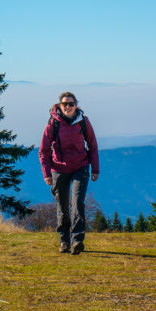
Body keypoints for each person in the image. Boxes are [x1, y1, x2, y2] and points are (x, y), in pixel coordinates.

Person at [39, 92, 99, 255]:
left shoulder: (83, 122)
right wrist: (47, 174)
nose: (68, 107)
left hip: (80, 167)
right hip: (59, 168)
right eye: (65, 104)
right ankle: (64, 241)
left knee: (77, 202)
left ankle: (77, 240)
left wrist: (95, 169)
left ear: (76, 105)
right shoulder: (53, 123)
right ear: (59, 105)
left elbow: (93, 145)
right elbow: (43, 150)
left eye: (71, 104)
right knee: (62, 206)